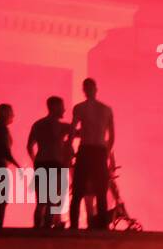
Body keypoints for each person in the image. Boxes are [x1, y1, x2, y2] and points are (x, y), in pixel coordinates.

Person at [69, 78, 114, 229]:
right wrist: (106, 153)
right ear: (96, 89)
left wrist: (70, 148)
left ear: (85, 90)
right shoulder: (106, 109)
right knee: (100, 191)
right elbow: (112, 136)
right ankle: (102, 228)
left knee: (78, 191)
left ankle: (75, 227)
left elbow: (72, 130)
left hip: (87, 149)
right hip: (98, 150)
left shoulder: (80, 108)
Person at [27, 96, 72, 228]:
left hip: (40, 164)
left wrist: (35, 161)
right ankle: (47, 231)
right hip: (55, 164)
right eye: (62, 106)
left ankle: (37, 231)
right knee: (52, 202)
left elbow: (29, 146)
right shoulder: (61, 126)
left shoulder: (37, 124)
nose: (64, 109)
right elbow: (82, 132)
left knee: (41, 202)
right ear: (54, 107)